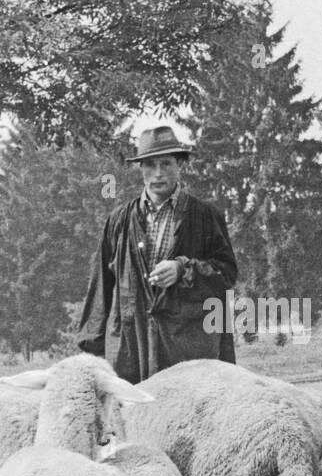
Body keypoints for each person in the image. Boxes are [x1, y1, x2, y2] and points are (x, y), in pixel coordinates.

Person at [76, 125, 238, 382]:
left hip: (186, 350)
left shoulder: (205, 216)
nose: (158, 173)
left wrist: (183, 269)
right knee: (132, 419)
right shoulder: (120, 220)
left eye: (166, 164)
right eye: (150, 165)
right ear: (140, 168)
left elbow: (226, 272)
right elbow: (101, 291)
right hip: (130, 350)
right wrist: (91, 351)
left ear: (180, 165)